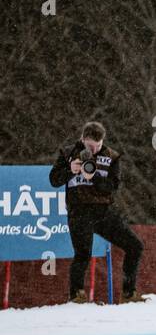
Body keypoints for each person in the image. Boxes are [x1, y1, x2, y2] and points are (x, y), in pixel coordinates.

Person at [49, 121, 145, 303]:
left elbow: (112, 187)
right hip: (79, 211)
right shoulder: (68, 153)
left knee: (135, 246)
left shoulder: (111, 156)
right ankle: (77, 295)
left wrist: (94, 178)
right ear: (83, 139)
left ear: (103, 142)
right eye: (90, 146)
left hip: (103, 211)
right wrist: (70, 170)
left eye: (98, 146)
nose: (93, 150)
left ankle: (129, 293)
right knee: (83, 254)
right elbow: (54, 180)